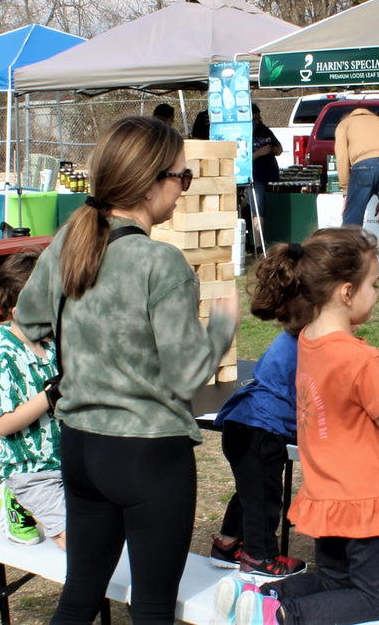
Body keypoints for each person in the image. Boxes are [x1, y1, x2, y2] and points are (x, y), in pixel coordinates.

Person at [16, 116, 239, 625]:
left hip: (80, 444)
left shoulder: (72, 240)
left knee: (79, 597)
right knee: (153, 607)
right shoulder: (160, 262)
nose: (184, 191)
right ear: (150, 182)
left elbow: (29, 319)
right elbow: (187, 377)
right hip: (148, 454)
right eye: (182, 178)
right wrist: (223, 327)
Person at [213, 227, 379, 625]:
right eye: (374, 285)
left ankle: (255, 596)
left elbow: (364, 396)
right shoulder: (361, 358)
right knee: (376, 599)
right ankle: (280, 615)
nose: (378, 294)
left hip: (328, 496)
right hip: (366, 502)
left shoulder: (309, 340)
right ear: (346, 292)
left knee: (333, 579)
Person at [205, 243, 313, 580]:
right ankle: (260, 556)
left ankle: (228, 544)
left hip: (241, 425)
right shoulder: (309, 344)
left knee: (249, 492)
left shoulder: (289, 339)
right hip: (260, 432)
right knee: (264, 499)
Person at [0, 249, 66, 549]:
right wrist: (50, 396)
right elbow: (2, 425)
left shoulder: (56, 347)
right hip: (33, 473)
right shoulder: (3, 359)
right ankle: (14, 496)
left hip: (73, 464)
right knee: (78, 543)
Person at [334, 106, 379, 280]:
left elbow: (342, 159)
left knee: (352, 220)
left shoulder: (345, 124)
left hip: (364, 165)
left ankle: (348, 267)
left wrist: (345, 189)